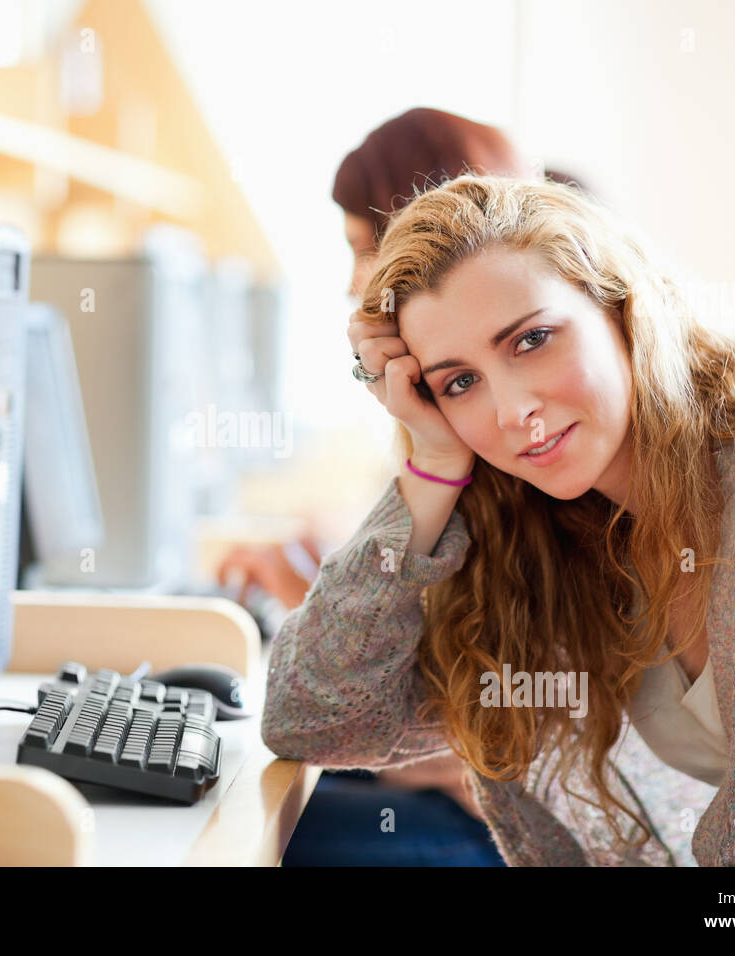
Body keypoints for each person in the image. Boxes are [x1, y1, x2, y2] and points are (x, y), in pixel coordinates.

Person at [264, 172, 735, 865]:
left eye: (530, 341)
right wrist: (435, 459)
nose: (510, 412)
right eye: (459, 382)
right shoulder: (552, 529)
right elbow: (315, 716)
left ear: (621, 308)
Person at [223, 108, 532, 865]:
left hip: (485, 827)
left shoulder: (520, 451)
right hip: (454, 801)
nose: (354, 281)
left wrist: (314, 600)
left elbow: (459, 730)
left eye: (364, 248)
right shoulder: (451, 436)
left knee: (255, 830)